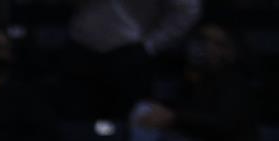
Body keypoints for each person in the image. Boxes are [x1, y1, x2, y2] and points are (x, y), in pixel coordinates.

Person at [127, 24, 251, 141]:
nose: (207, 47)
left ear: (229, 51)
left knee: (147, 126)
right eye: (203, 40)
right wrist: (163, 111)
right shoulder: (194, 74)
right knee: (145, 110)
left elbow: (223, 124)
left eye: (217, 43)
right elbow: (181, 108)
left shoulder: (234, 80)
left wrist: (174, 117)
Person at [64, 0, 200, 120]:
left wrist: (150, 45)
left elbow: (187, 10)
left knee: (112, 127)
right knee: (71, 119)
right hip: (79, 41)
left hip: (125, 52)